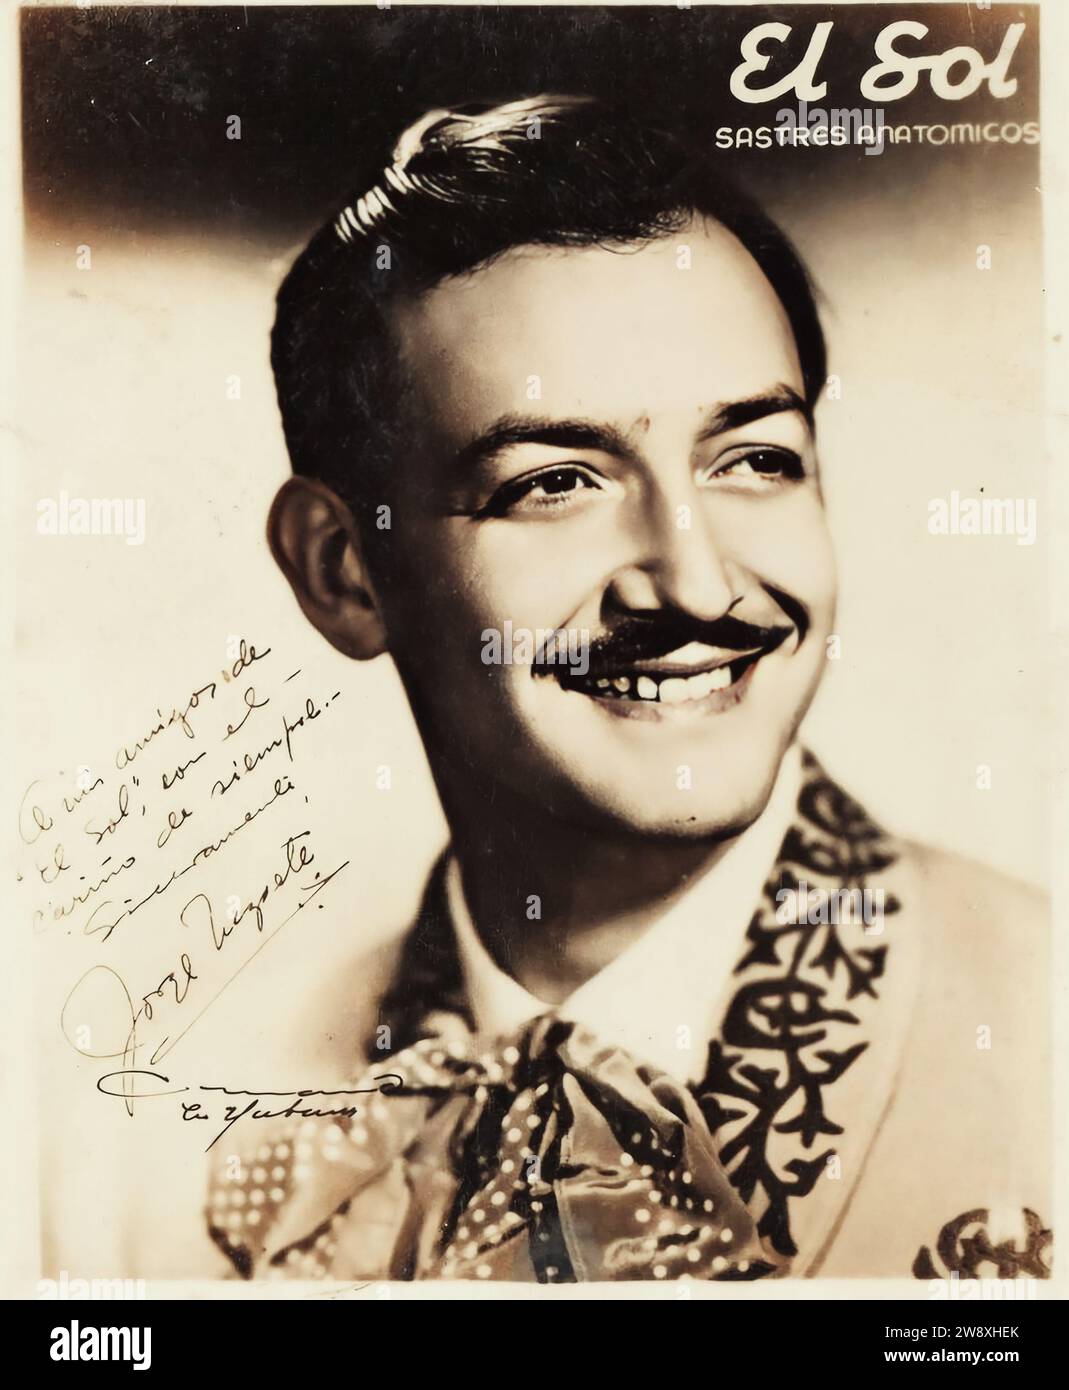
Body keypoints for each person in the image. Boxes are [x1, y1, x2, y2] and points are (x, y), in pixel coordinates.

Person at [206, 95, 1051, 1284]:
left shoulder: (1043, 1020)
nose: (695, 582)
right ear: (344, 572)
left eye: (755, 459)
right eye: (554, 482)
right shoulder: (188, 1121)